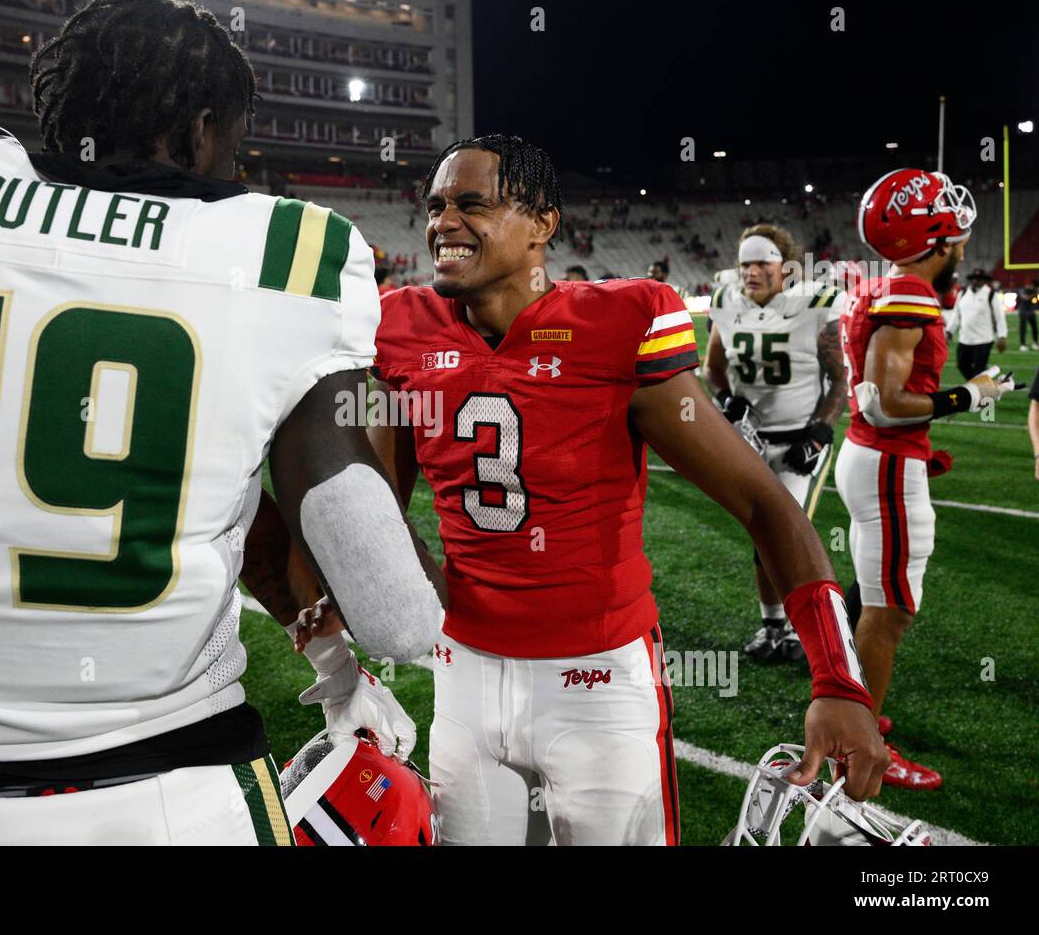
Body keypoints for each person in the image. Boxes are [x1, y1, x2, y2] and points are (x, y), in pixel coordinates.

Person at [0, 0, 445, 845]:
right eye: (234, 150)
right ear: (197, 135)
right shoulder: (287, 253)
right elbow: (399, 613)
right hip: (188, 789)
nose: (236, 175)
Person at [296, 135, 884, 846]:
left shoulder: (618, 323)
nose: (442, 223)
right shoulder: (404, 326)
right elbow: (376, 513)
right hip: (462, 672)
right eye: (436, 205)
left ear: (542, 222)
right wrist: (351, 625)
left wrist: (838, 681)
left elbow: (765, 504)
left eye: (472, 204)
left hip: (598, 681)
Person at [839, 168, 1021, 789]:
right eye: (946, 212)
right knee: (888, 612)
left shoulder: (882, 287)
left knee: (876, 604)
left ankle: (854, 715)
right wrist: (972, 394)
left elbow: (870, 400)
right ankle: (858, 749)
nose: (962, 229)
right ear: (934, 234)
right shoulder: (911, 294)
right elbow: (886, 404)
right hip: (887, 460)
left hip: (872, 459)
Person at [704, 225, 847, 662]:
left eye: (761, 262)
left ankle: (818, 631)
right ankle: (774, 627)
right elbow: (713, 368)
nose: (750, 271)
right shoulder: (726, 300)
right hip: (750, 439)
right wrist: (728, 402)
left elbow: (840, 378)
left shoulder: (815, 302)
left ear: (784, 267)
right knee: (763, 534)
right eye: (744, 262)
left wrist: (821, 430)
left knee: (788, 533)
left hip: (798, 439)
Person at [946, 268, 1007, 378]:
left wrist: (1002, 336)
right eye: (974, 279)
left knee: (979, 370)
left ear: (984, 281)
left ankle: (976, 390)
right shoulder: (963, 293)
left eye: (979, 279)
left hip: (983, 339)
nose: (976, 281)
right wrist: (949, 331)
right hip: (964, 338)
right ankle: (978, 387)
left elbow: (999, 317)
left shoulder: (991, 295)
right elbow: (956, 314)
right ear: (971, 280)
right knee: (961, 365)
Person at [1017, 281, 1038, 351]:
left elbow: (1035, 302)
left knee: (1034, 327)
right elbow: (1022, 297)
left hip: (1031, 310)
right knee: (1023, 328)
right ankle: (1023, 344)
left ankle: (1035, 343)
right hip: (1024, 310)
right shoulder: (1026, 290)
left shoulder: (1035, 292)